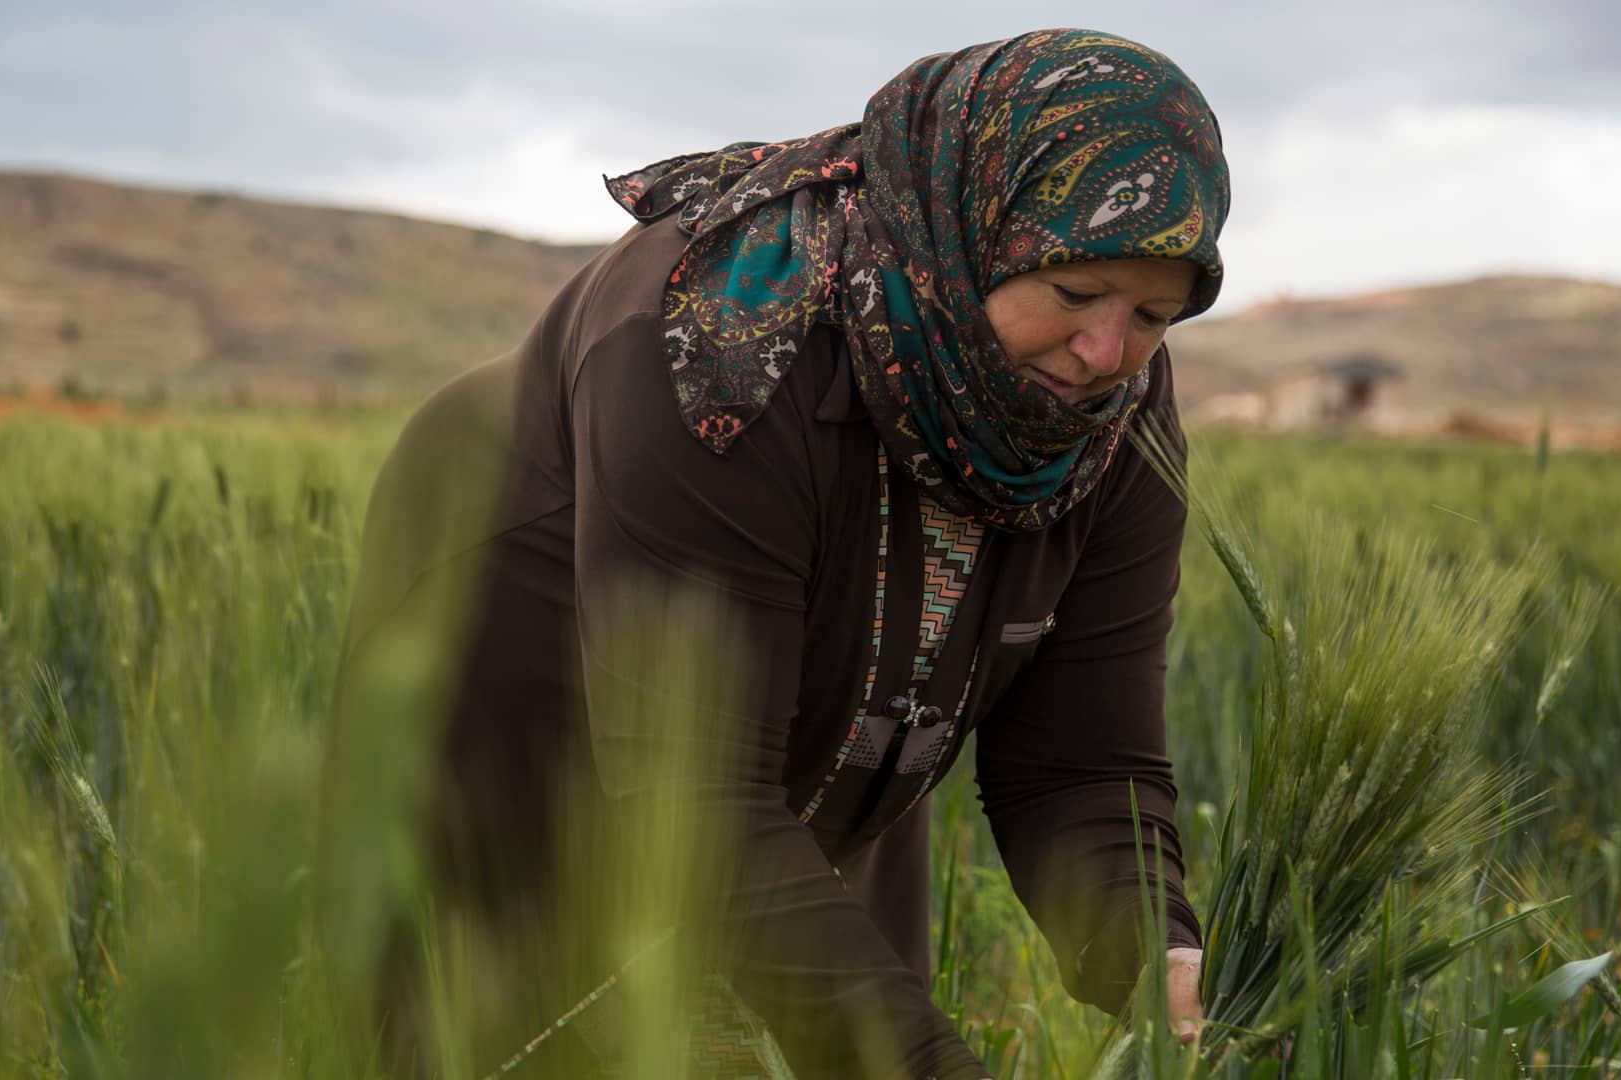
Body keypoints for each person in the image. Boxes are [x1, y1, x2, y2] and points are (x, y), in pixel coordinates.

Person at [331, 26, 1229, 1080]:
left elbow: (1081, 767)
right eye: (1075, 294)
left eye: (1156, 315)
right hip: (531, 671)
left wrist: (1154, 953)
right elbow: (697, 805)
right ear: (969, 229)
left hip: (828, 731)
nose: (1106, 353)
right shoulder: (718, 340)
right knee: (512, 1022)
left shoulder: (1112, 414)